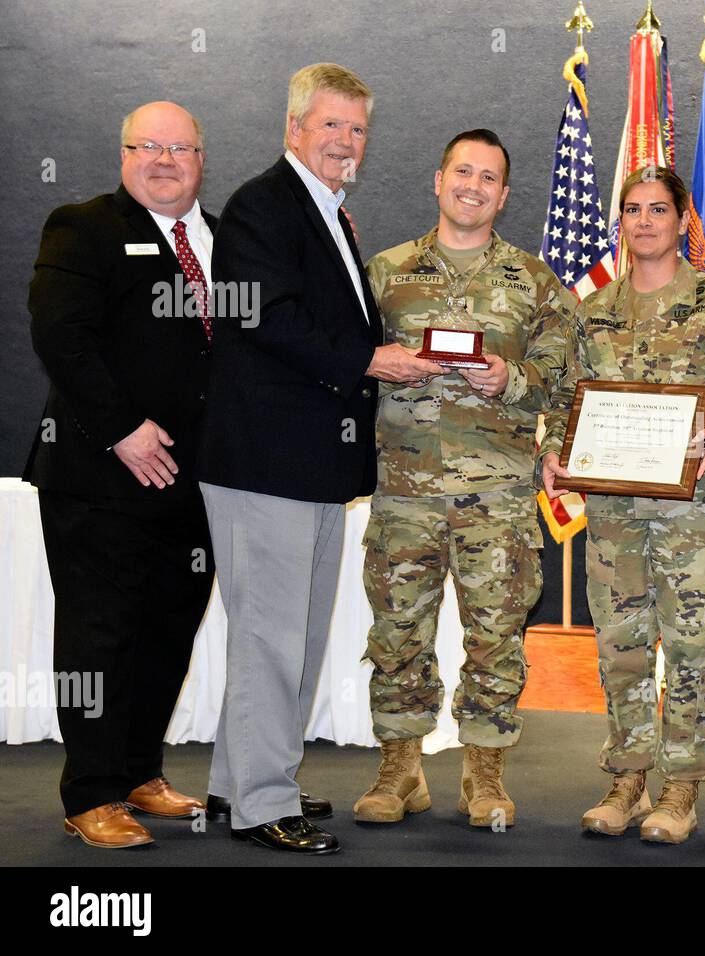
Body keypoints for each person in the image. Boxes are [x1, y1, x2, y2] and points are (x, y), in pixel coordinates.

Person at [196, 63, 442, 855]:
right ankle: (265, 799)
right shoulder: (262, 206)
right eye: (330, 124)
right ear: (294, 128)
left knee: (288, 634)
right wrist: (373, 360)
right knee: (271, 637)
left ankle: (245, 783)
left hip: (307, 467)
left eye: (357, 128)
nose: (345, 140)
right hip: (263, 462)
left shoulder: (327, 210)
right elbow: (267, 319)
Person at [540, 166, 705, 844]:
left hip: (694, 511)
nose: (644, 221)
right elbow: (563, 397)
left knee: (693, 648)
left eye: (658, 209)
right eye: (632, 210)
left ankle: (682, 787)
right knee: (621, 647)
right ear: (621, 222)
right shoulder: (592, 310)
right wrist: (553, 449)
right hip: (613, 515)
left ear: (681, 219)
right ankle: (628, 778)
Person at [354, 129, 571, 828]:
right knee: (397, 636)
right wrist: (375, 359)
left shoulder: (536, 283)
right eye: (462, 172)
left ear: (504, 195)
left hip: (497, 502)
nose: (473, 186)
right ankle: (400, 770)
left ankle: (484, 775)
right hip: (404, 496)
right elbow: (342, 358)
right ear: (438, 179)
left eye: (489, 178)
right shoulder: (383, 273)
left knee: (495, 639)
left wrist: (514, 379)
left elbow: (565, 380)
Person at [25, 101, 216, 848]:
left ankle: (140, 773)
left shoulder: (218, 241)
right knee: (97, 637)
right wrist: (123, 432)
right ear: (123, 153)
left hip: (191, 483)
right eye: (148, 146)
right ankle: (92, 791)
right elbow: (61, 336)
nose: (164, 160)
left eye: (180, 148)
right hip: (99, 480)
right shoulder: (83, 227)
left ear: (202, 160)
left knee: (168, 627)